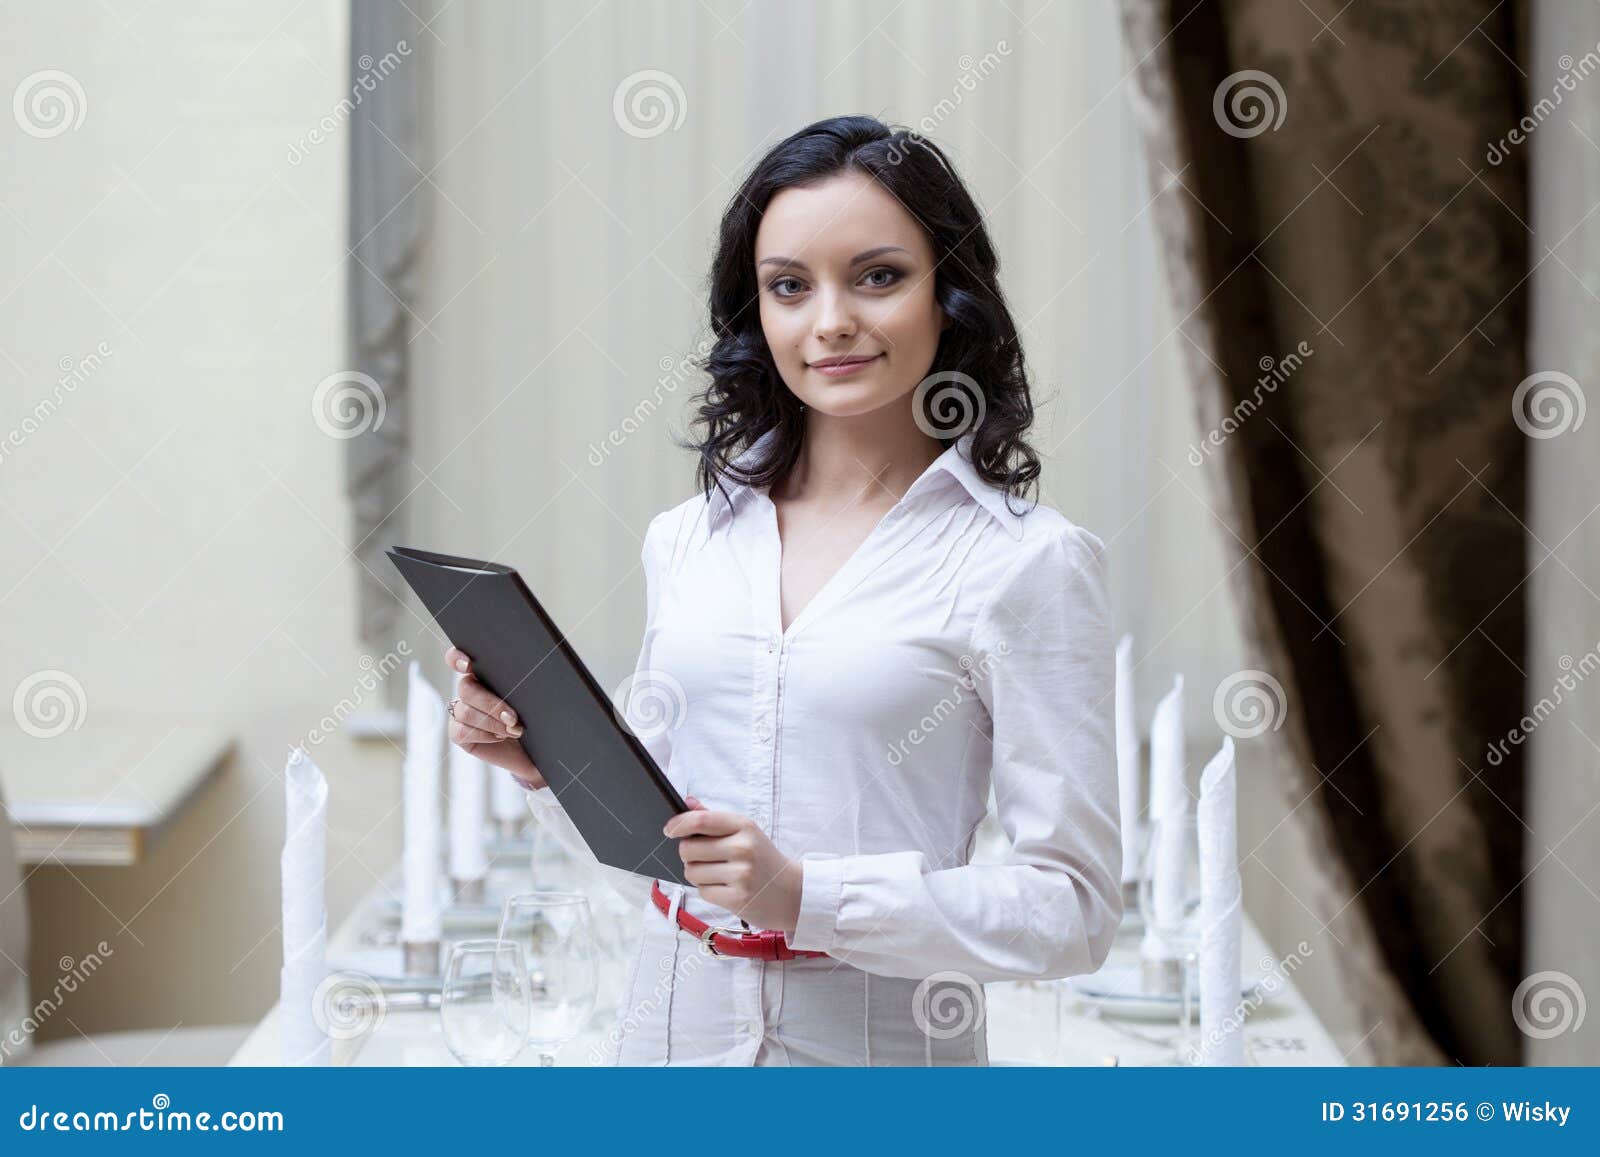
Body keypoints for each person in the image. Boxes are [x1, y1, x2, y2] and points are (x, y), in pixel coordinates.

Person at [444, 114, 1122, 1066]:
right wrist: (537, 760)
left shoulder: (1027, 564)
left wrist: (805, 896)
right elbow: (660, 841)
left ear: (951, 295)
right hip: (668, 1042)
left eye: (879, 276)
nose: (831, 320)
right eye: (789, 287)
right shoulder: (687, 540)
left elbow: (1074, 909)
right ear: (755, 313)